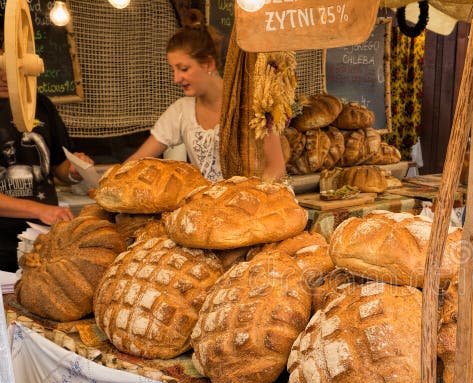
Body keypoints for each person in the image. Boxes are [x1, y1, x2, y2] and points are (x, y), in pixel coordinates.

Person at [126, 10, 285, 182]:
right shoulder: (181, 111)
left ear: (208, 64)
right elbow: (136, 161)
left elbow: (276, 166)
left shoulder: (254, 103)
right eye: (174, 70)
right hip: (208, 205)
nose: (176, 79)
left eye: (183, 69)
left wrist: (252, 197)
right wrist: (112, 181)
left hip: (257, 202)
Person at [0, 45, 93, 272]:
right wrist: (39, 210)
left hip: (44, 238)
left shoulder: (41, 105)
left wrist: (72, 170)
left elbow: (59, 165)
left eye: (10, 67)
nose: (4, 76)